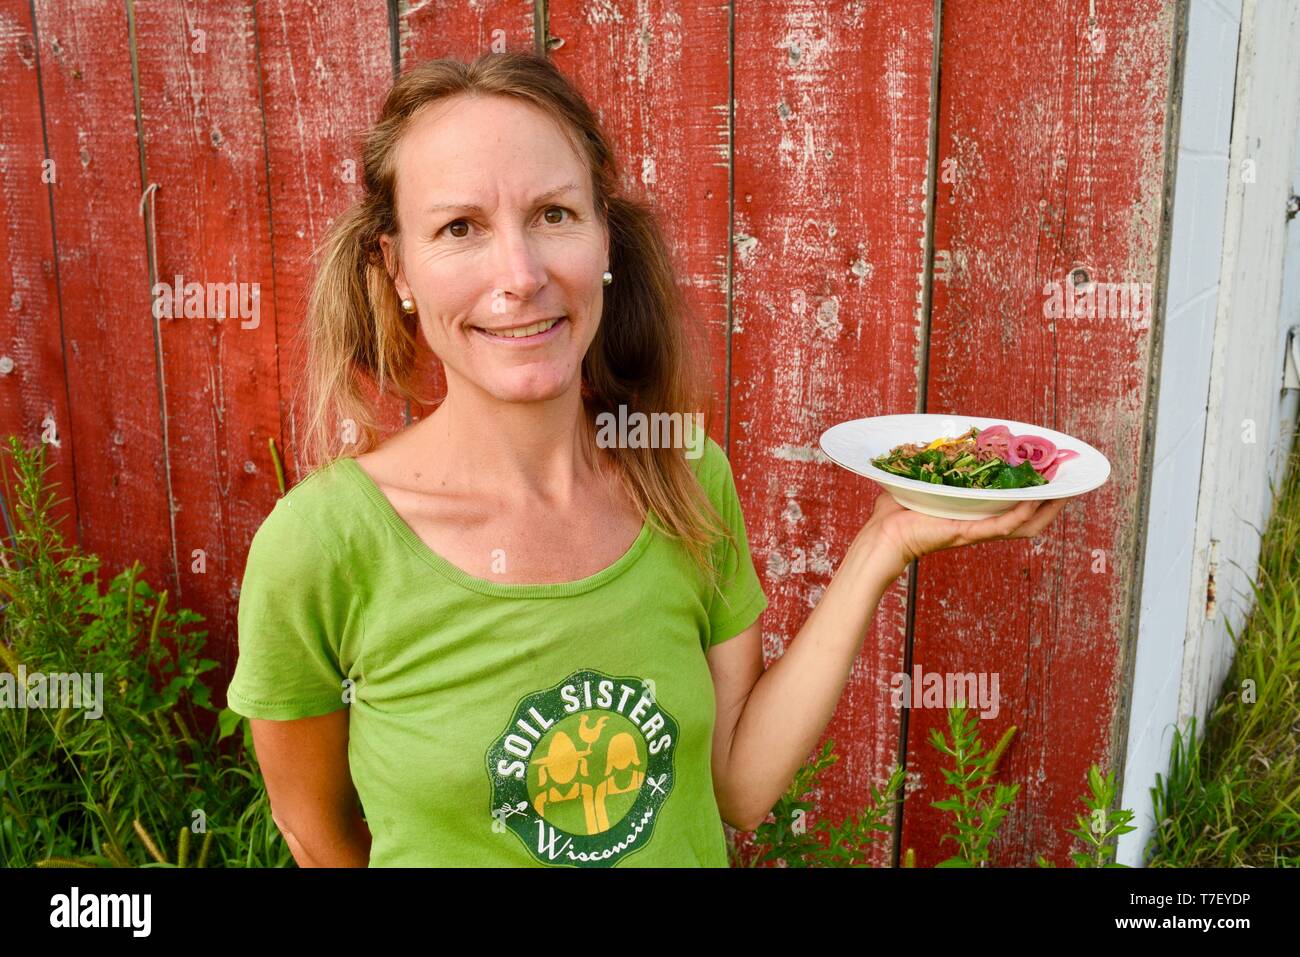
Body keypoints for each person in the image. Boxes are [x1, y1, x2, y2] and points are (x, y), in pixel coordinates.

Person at [225, 50, 1067, 868]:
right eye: (459, 228)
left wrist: (881, 547)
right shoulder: (322, 544)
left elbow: (736, 785)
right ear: (396, 266)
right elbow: (317, 835)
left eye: (555, 214)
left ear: (604, 241)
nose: (520, 274)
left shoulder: (682, 476)